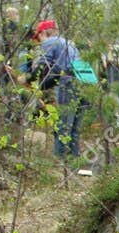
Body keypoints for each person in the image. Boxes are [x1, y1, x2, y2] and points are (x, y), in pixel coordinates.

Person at [28, 19, 83, 156]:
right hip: (85, 83)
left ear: (44, 33)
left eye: (38, 37)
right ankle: (73, 162)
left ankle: (59, 163)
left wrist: (29, 78)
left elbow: (43, 66)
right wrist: (44, 85)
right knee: (74, 129)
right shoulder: (70, 44)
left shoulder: (50, 42)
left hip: (69, 83)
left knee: (63, 126)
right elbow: (60, 70)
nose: (39, 41)